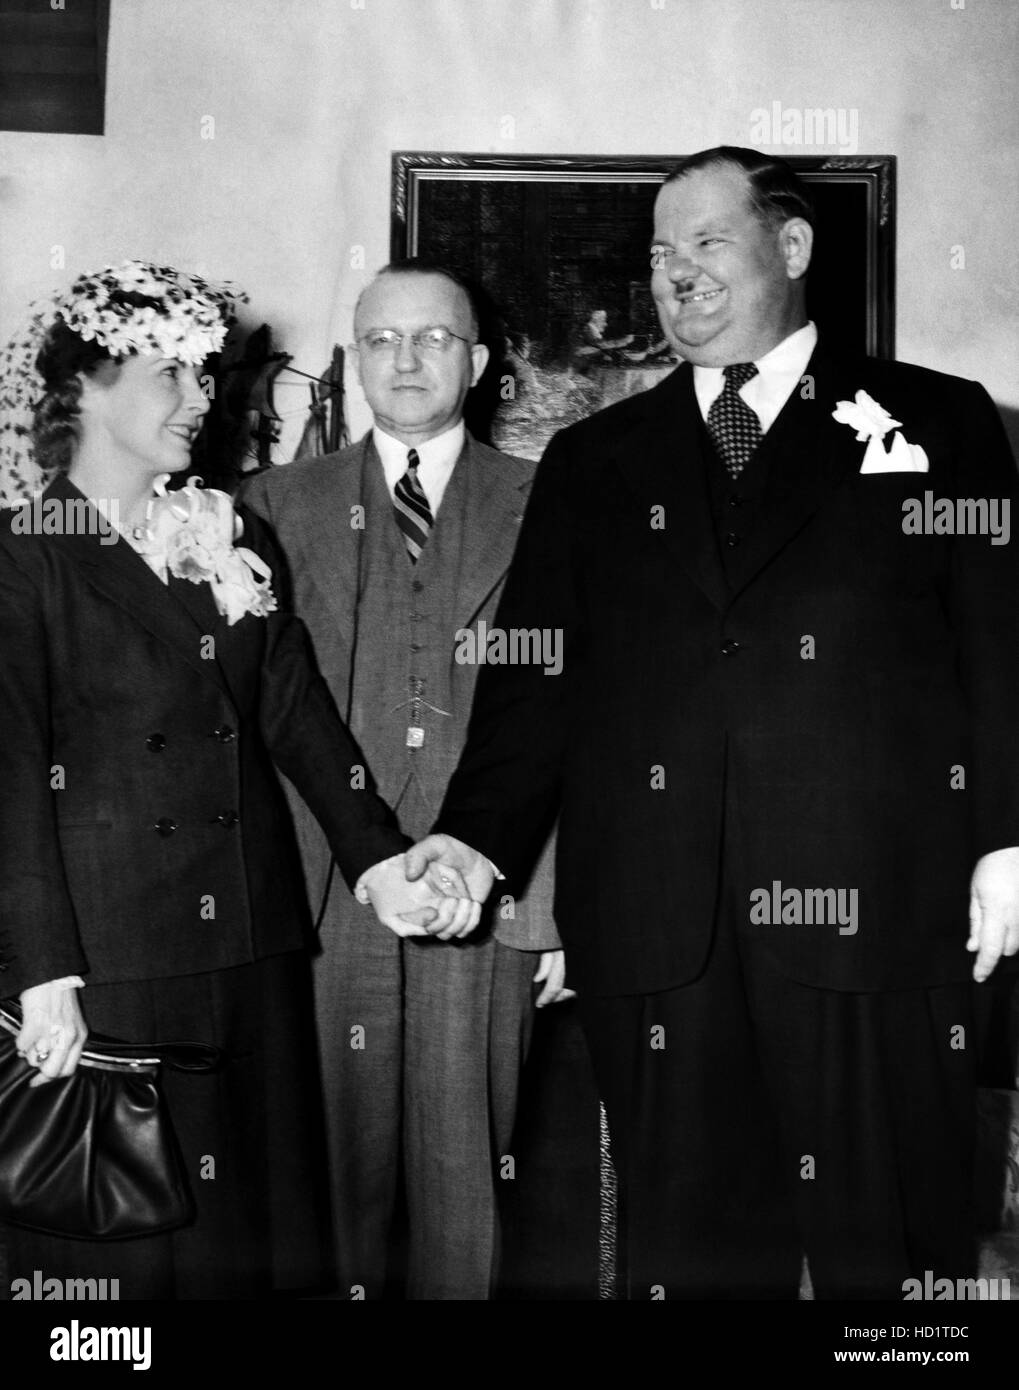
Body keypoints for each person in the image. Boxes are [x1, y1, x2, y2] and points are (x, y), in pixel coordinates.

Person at [409, 148, 1019, 1299]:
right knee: (688, 1263)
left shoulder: (937, 422)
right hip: (656, 940)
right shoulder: (593, 460)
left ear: (788, 249)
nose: (673, 274)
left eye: (703, 243)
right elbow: (534, 684)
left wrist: (1006, 840)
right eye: (655, 253)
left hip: (874, 922)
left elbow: (1001, 645)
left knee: (883, 1260)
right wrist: (473, 840)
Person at [0, 261, 474, 1300]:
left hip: (250, 943)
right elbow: (7, 782)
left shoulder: (230, 535)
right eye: (169, 372)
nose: (201, 395)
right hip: (111, 961)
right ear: (83, 387)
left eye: (206, 372)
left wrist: (381, 863)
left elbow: (297, 717)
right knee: (121, 1255)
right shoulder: (27, 556)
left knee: (247, 1240)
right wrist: (40, 973)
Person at [242, 260, 567, 1301]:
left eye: (432, 338)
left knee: (465, 1178)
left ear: (476, 363)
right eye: (379, 340)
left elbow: (579, 715)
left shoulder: (547, 504)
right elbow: (249, 718)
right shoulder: (273, 503)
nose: (406, 359)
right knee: (323, 1183)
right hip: (321, 896)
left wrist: (554, 908)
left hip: (492, 893)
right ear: (355, 358)